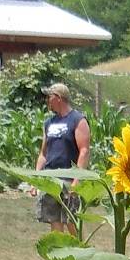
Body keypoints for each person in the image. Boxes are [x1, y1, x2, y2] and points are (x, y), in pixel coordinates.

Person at [35, 82, 91, 233]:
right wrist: (36, 179)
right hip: (50, 179)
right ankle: (60, 253)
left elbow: (84, 151)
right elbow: (43, 153)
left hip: (69, 179)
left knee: (71, 221)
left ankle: (78, 254)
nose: (47, 100)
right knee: (53, 220)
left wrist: (77, 181)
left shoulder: (78, 120)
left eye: (49, 97)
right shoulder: (48, 123)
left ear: (58, 98)